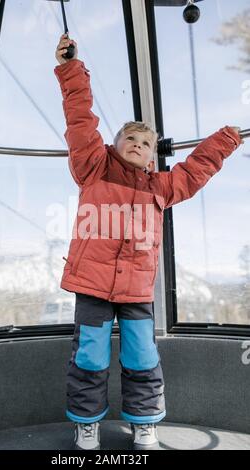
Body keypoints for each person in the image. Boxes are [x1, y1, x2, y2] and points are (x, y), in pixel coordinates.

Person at [54, 34, 243, 451]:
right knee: (90, 357)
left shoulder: (161, 186)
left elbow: (195, 171)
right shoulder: (93, 168)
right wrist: (70, 69)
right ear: (114, 146)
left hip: (137, 289)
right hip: (92, 286)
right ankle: (86, 423)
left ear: (152, 157)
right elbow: (80, 121)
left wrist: (225, 141)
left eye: (145, 144)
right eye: (130, 140)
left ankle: (144, 422)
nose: (137, 146)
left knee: (142, 358)